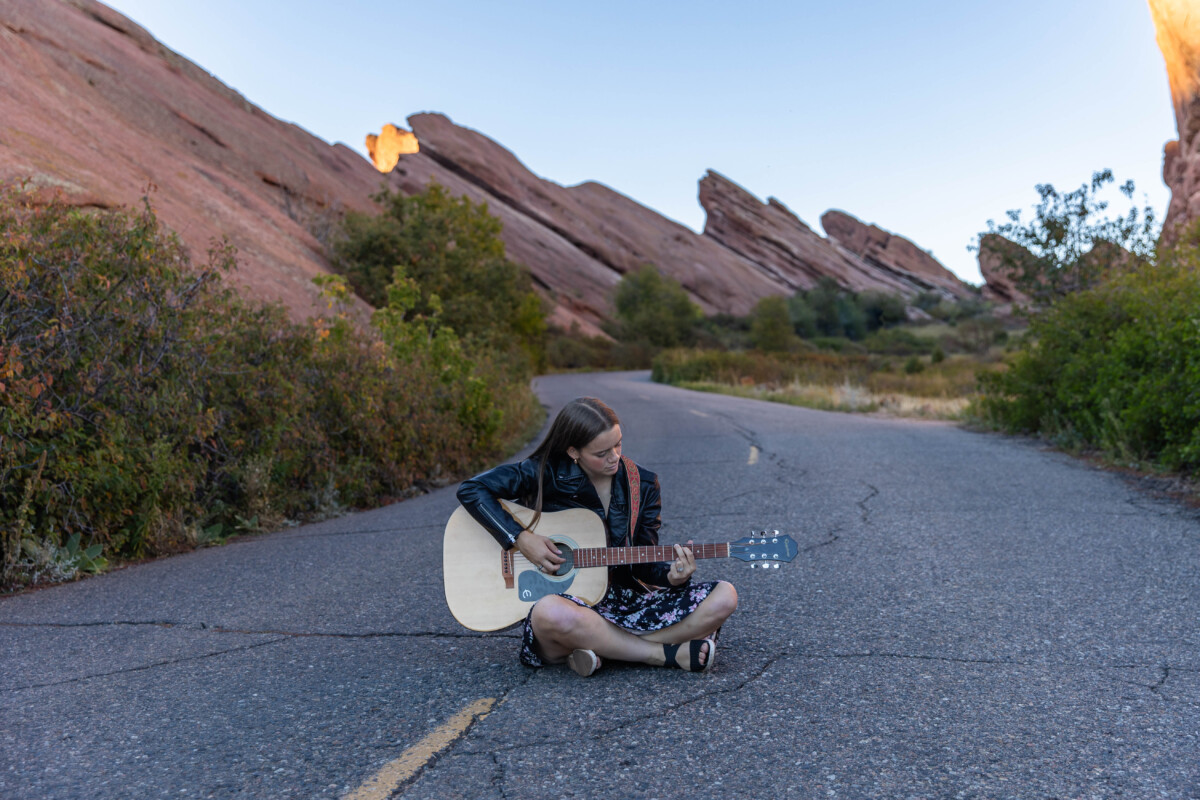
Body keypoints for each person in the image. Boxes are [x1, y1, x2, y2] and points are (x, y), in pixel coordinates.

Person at [456, 397, 738, 676]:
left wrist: (673, 577)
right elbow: (471, 490)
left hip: (624, 602)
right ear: (573, 452)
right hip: (569, 606)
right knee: (548, 613)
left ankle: (601, 647)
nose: (614, 457)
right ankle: (660, 653)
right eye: (601, 453)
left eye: (618, 444)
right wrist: (519, 538)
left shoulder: (643, 484)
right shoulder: (544, 471)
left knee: (725, 596)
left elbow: (643, 562)